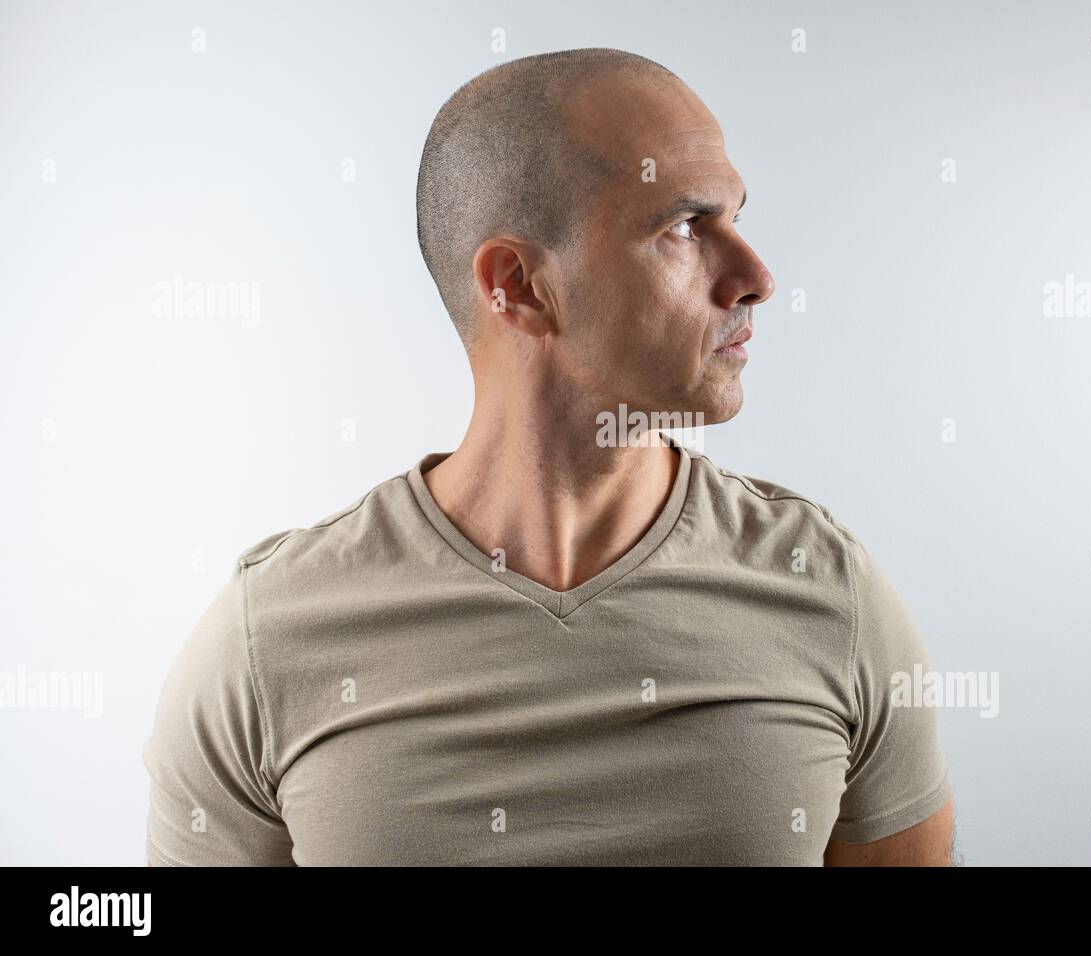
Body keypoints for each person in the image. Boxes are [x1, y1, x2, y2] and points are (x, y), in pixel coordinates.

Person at [142, 47, 954, 866]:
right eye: (684, 226)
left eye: (737, 219)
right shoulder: (268, 639)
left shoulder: (829, 593)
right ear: (519, 286)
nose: (755, 276)